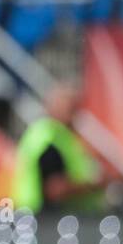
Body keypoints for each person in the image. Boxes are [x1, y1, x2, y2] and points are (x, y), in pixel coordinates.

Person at [13, 84, 109, 213]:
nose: (77, 116)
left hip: (36, 219)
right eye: (73, 109)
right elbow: (55, 189)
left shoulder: (44, 133)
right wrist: (94, 185)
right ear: (57, 108)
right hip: (47, 221)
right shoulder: (50, 140)